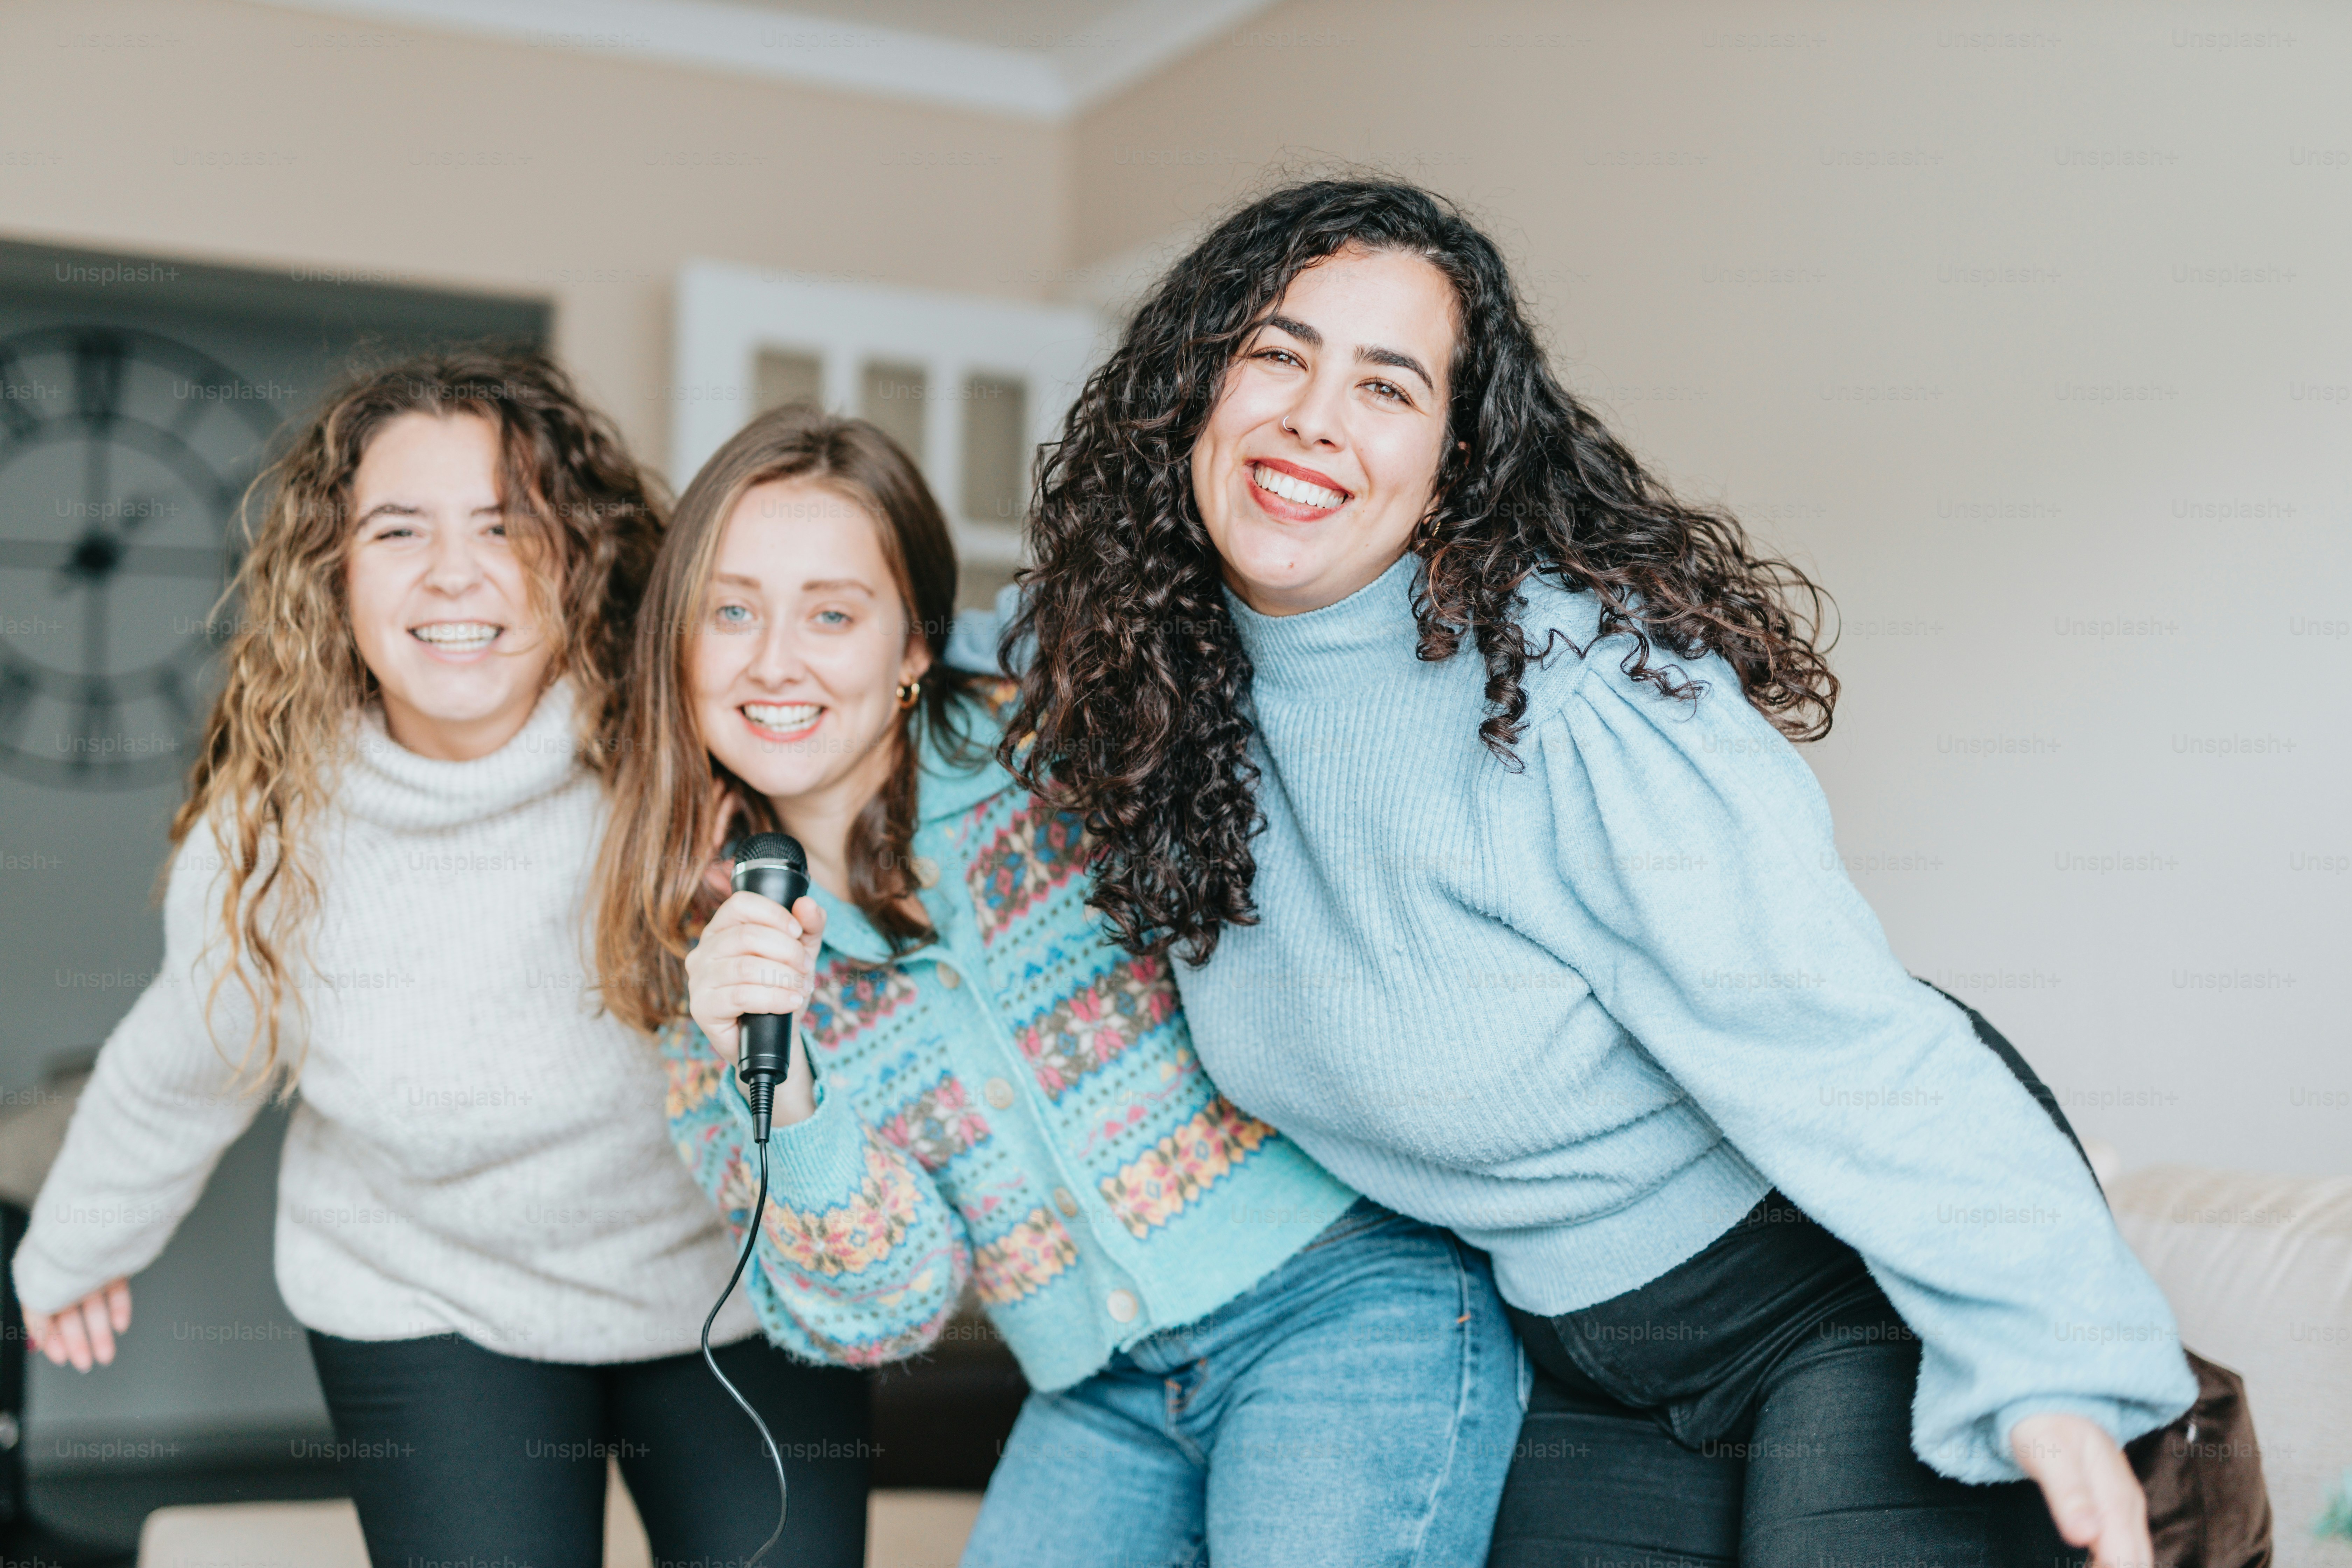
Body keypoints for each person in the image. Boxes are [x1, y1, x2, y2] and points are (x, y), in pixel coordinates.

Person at [994, 179, 2200, 1568]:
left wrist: (2046, 1353)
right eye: (1277, 352)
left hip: (1832, 1278)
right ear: (1191, 393)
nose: (1314, 417)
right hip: (1578, 1351)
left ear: (1453, 458)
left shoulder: (1566, 689)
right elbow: (890, 682)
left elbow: (1839, 1038)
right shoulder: (1155, 701)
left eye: (1388, 386)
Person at [593, 405, 1523, 1568]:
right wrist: (782, 1087)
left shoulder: (1071, 762)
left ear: (915, 650)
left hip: (1338, 1299)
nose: (775, 660)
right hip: (1100, 1387)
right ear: (680, 646)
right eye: (731, 611)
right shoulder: (703, 958)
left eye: (833, 613)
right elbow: (887, 1312)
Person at [13, 349, 869, 1567]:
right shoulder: (268, 836)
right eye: (399, 530)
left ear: (574, 556)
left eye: (507, 526)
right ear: (336, 574)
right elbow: (185, 1061)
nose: (455, 573)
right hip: (429, 1298)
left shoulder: (696, 756)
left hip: (727, 1281)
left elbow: (899, 691)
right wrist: (72, 1251)